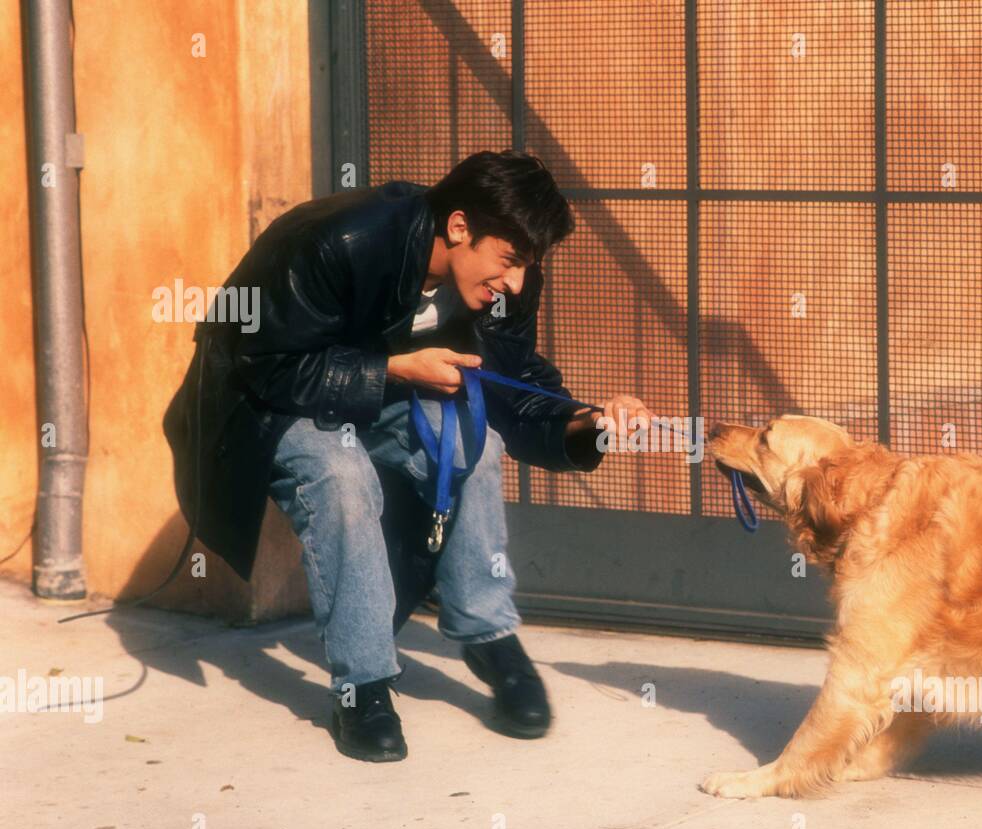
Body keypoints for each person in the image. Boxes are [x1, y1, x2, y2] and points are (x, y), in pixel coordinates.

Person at [163, 150, 652, 761]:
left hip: (374, 393)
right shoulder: (336, 239)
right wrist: (392, 367)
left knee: (476, 442)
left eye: (527, 266)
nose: (517, 283)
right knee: (340, 474)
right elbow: (263, 365)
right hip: (267, 404)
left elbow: (513, 387)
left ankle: (487, 634)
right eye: (509, 261)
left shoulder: (503, 282)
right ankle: (362, 688)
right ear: (458, 228)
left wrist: (590, 422)